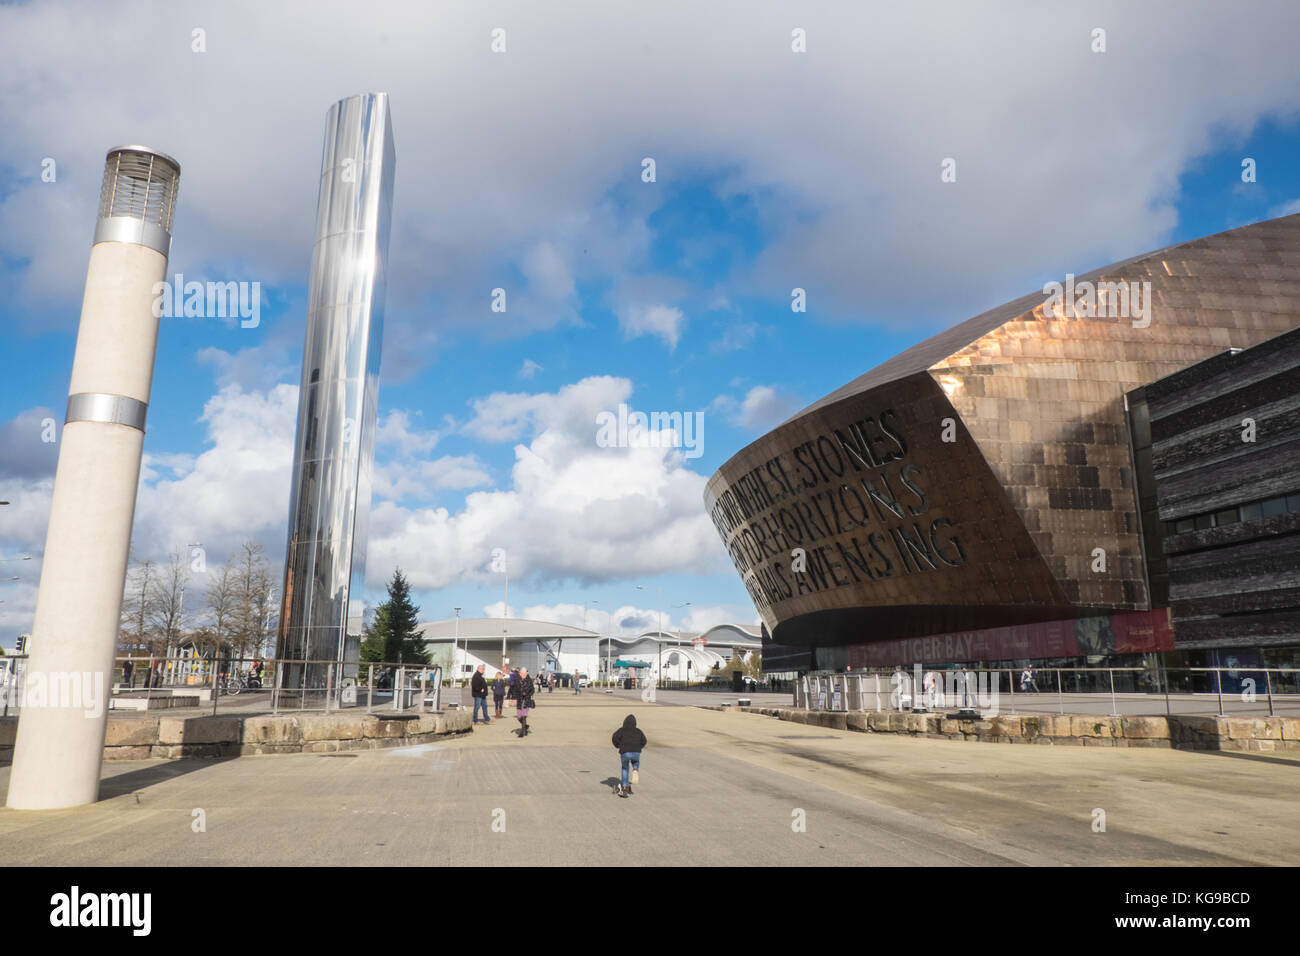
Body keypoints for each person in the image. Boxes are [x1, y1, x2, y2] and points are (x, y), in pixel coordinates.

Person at [611, 714, 647, 798]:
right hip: (636, 752)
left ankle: (624, 788)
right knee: (636, 761)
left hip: (625, 752)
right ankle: (635, 769)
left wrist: (618, 746)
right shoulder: (638, 731)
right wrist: (638, 747)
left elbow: (614, 738)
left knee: (625, 768)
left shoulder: (621, 730)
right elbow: (644, 741)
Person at [516, 668, 535, 737]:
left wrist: (527, 694)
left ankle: (523, 732)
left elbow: (532, 690)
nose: (523, 675)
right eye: (522, 673)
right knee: (519, 717)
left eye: (524, 673)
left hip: (526, 700)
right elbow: (514, 689)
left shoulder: (529, 681)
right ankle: (525, 726)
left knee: (524, 716)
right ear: (520, 674)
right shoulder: (517, 680)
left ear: (526, 674)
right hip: (519, 700)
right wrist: (512, 698)